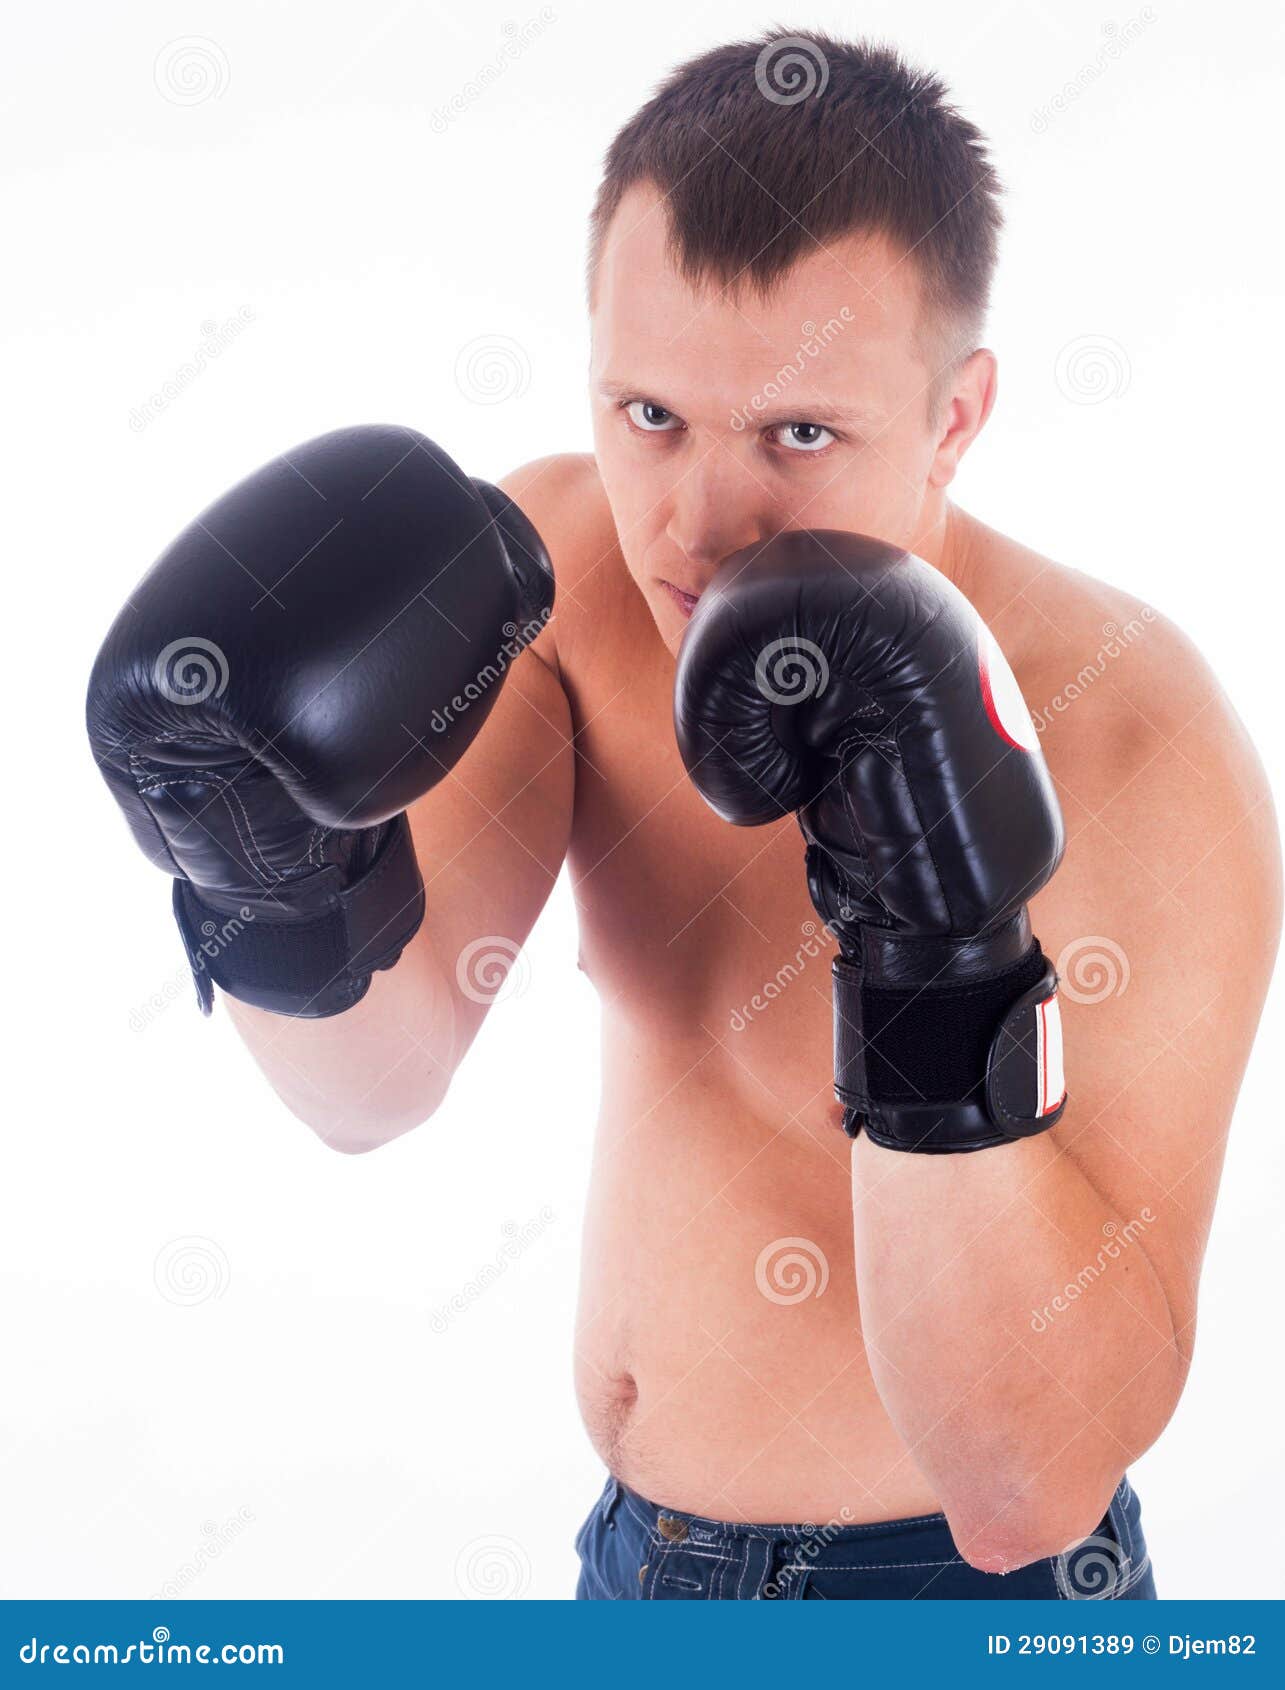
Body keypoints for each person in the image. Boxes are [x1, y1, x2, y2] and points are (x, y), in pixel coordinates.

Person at [87, 33, 1280, 1599]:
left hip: (956, 1601)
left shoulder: (1133, 738)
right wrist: (260, 863)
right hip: (635, 1567)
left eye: (797, 434)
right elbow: (371, 1084)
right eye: (647, 413)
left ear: (955, 416)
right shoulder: (560, 583)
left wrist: (939, 937)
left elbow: (1025, 1489)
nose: (701, 524)